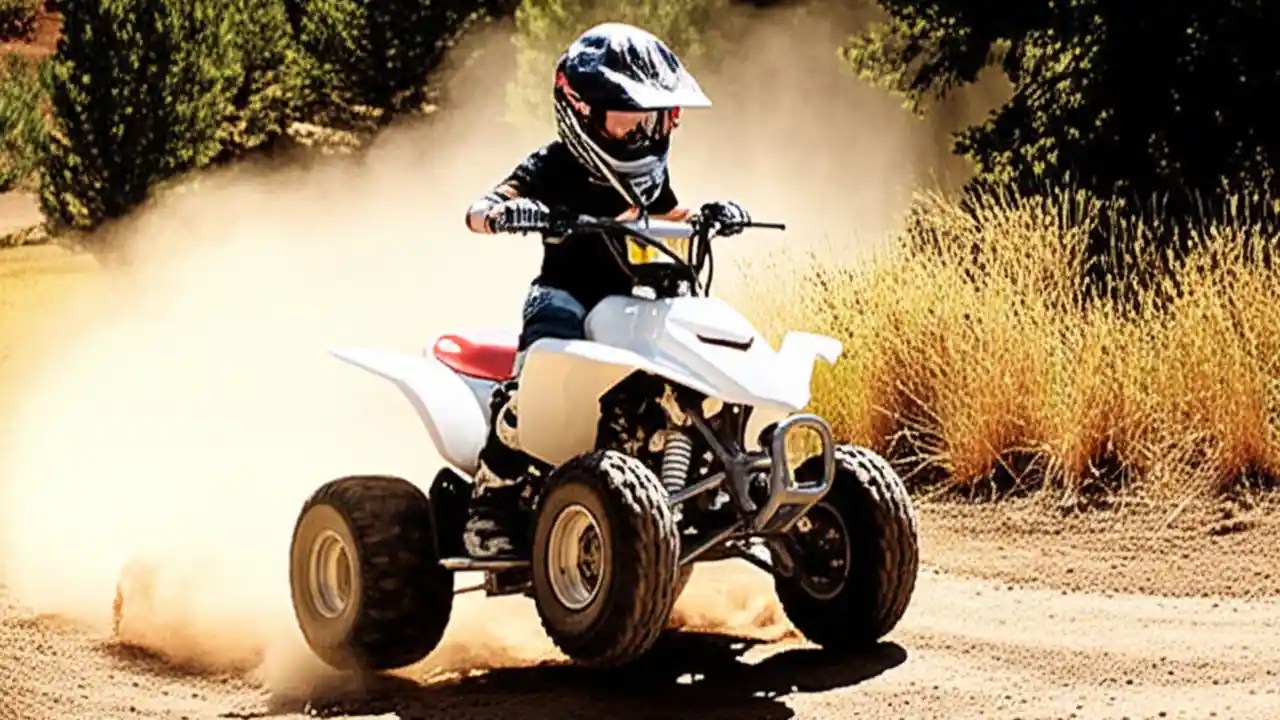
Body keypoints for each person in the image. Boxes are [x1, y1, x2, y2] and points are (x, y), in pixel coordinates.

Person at [460, 22, 751, 559]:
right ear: (582, 111)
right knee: (538, 381)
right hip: (567, 292)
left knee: (695, 357)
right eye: (628, 120)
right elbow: (479, 211)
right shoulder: (552, 165)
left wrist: (711, 215)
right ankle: (491, 501)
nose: (642, 134)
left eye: (654, 120)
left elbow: (667, 215)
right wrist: (507, 212)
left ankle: (712, 474)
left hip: (635, 302)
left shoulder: (647, 174)